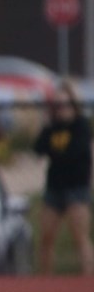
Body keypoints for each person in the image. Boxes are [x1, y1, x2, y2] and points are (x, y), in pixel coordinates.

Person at [34, 82, 93, 276]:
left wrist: (56, 153)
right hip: (54, 188)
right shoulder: (52, 127)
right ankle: (45, 280)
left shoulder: (80, 126)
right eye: (57, 105)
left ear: (73, 105)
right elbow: (38, 148)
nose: (61, 110)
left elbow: (75, 152)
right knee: (46, 237)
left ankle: (87, 279)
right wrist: (46, 125)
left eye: (65, 105)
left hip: (76, 188)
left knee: (80, 237)